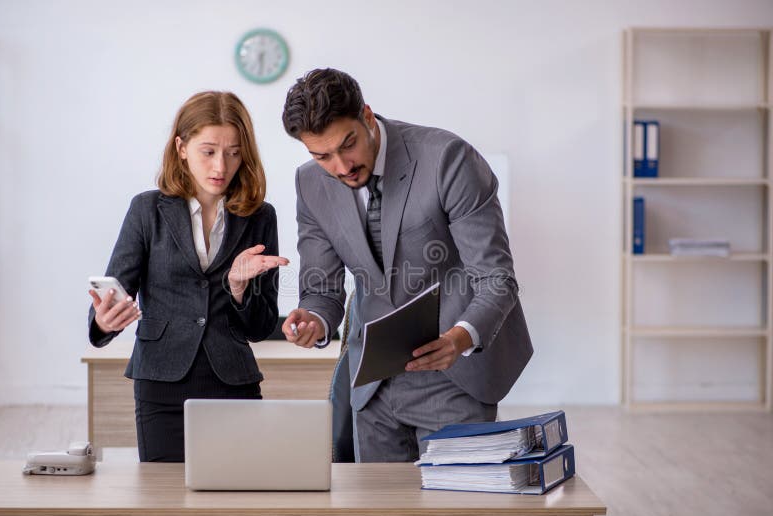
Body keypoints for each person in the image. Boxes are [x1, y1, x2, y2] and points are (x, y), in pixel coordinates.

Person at [280, 68, 534, 462]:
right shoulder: (310, 184)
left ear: (366, 115)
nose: (341, 166)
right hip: (373, 386)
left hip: (454, 376)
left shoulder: (447, 159)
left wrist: (461, 338)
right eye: (322, 155)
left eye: (348, 145)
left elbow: (496, 278)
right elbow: (322, 288)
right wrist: (314, 319)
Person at [88, 91, 288, 462]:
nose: (221, 166)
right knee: (163, 504)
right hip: (161, 379)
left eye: (233, 152)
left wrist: (239, 288)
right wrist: (103, 321)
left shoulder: (261, 217)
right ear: (181, 148)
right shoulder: (147, 209)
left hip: (233, 380)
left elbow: (260, 328)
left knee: (238, 498)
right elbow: (115, 292)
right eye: (208, 151)